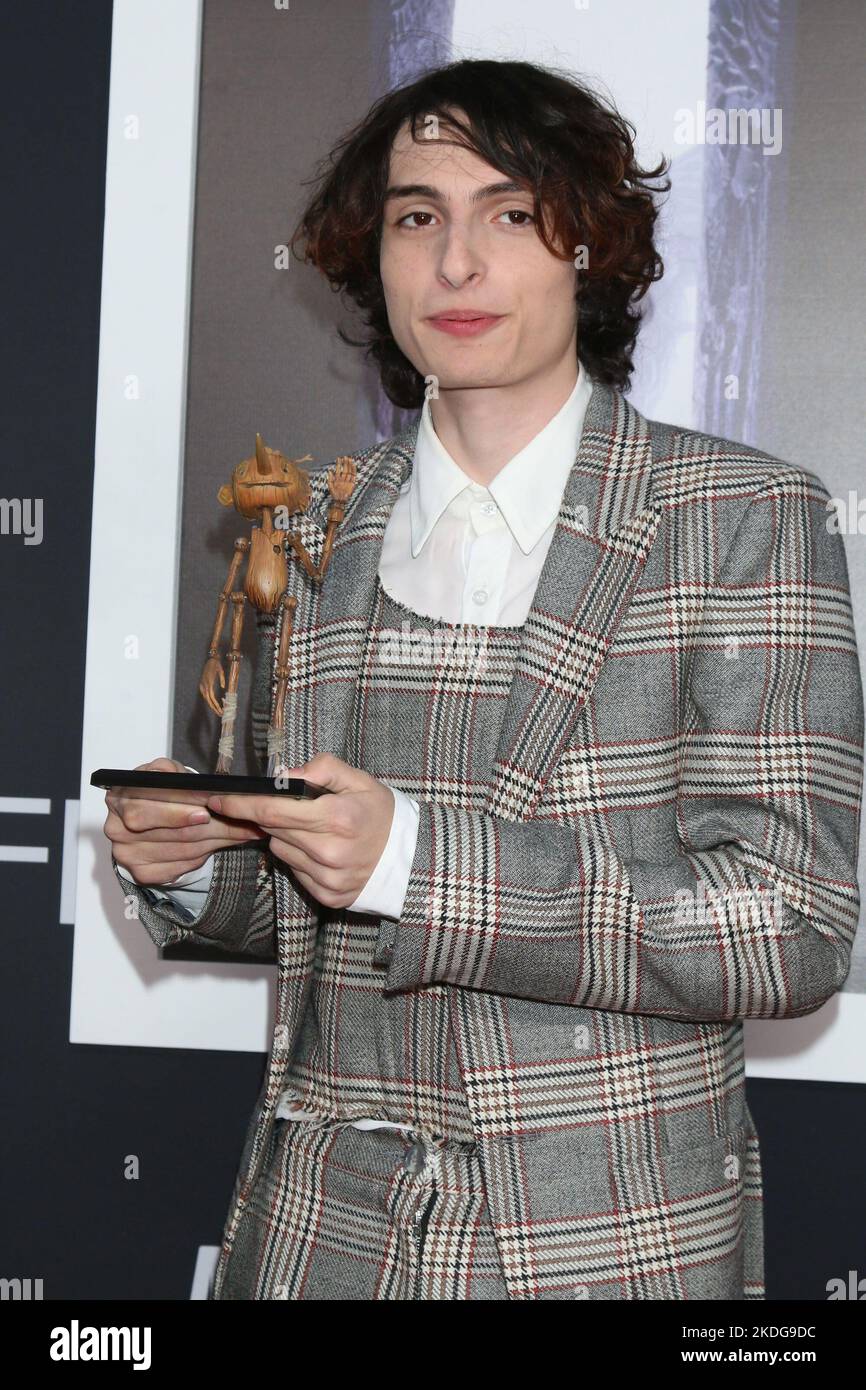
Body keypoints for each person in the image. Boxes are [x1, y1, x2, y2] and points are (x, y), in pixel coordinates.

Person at [103, 58, 864, 1300]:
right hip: (314, 1234)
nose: (455, 262)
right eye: (417, 217)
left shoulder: (737, 516)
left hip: (605, 1243)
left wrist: (416, 859)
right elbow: (297, 903)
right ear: (374, 257)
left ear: (588, 249)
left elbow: (786, 927)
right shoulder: (308, 526)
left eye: (507, 213)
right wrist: (192, 862)